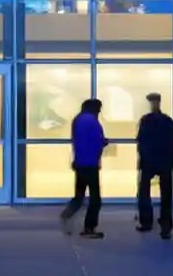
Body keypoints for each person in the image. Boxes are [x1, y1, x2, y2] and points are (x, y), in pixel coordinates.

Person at [60, 99, 108, 239]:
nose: (99, 112)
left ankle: (67, 215)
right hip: (90, 164)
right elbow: (96, 141)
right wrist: (103, 143)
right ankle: (89, 227)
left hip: (80, 162)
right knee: (95, 198)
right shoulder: (92, 121)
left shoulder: (78, 120)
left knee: (79, 195)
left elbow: (80, 140)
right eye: (99, 109)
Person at [135, 92, 173, 239]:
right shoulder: (167, 121)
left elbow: (141, 141)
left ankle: (147, 222)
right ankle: (165, 225)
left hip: (150, 161)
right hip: (164, 161)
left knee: (144, 192)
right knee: (166, 194)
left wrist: (142, 159)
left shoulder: (146, 120)